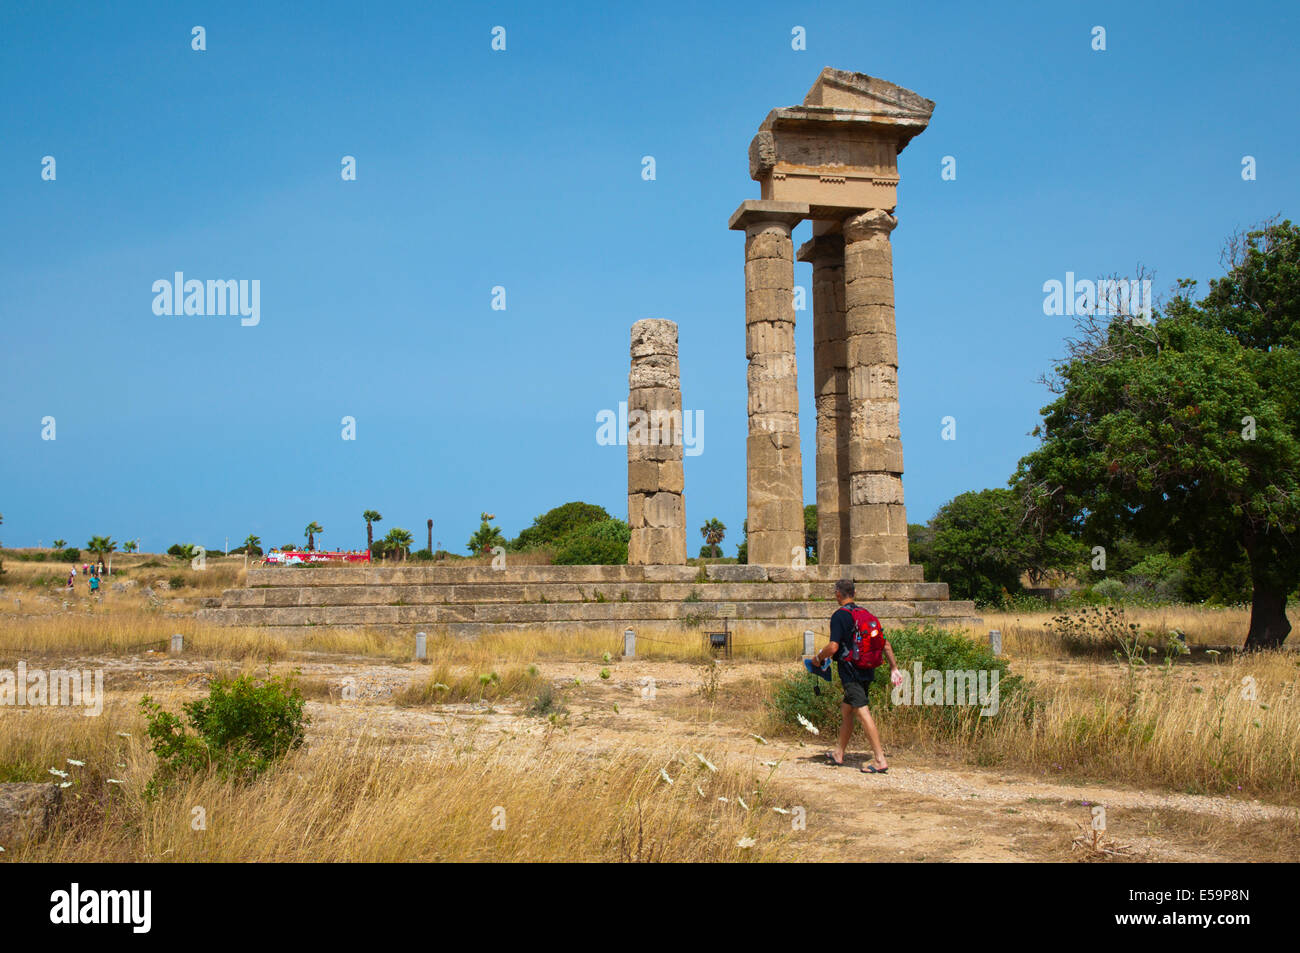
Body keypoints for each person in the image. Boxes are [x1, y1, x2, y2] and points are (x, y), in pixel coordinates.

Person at [807, 578, 901, 774]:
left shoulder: (839, 616)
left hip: (850, 671)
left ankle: (880, 759)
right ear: (854, 593)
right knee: (847, 710)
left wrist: (817, 658)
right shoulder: (866, 614)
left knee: (861, 710)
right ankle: (838, 753)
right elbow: (885, 643)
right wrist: (894, 668)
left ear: (838, 594)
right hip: (868, 668)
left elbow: (833, 647)